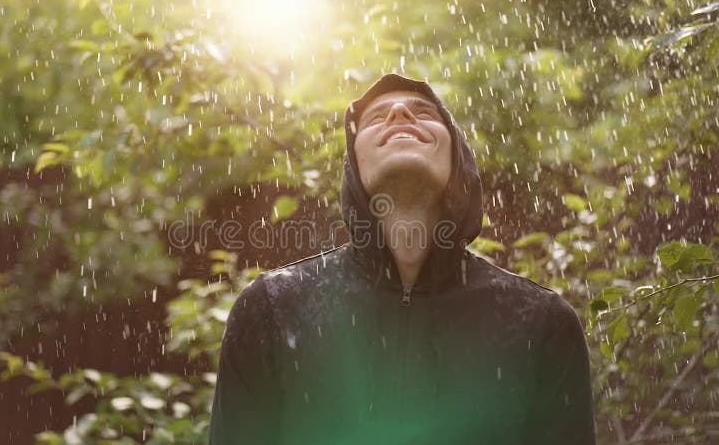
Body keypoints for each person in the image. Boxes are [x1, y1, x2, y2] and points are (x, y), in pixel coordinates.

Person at [208, 73, 596, 445]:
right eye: (377, 117)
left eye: (424, 113)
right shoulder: (272, 309)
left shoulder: (541, 323)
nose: (399, 115)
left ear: (457, 161)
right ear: (353, 168)